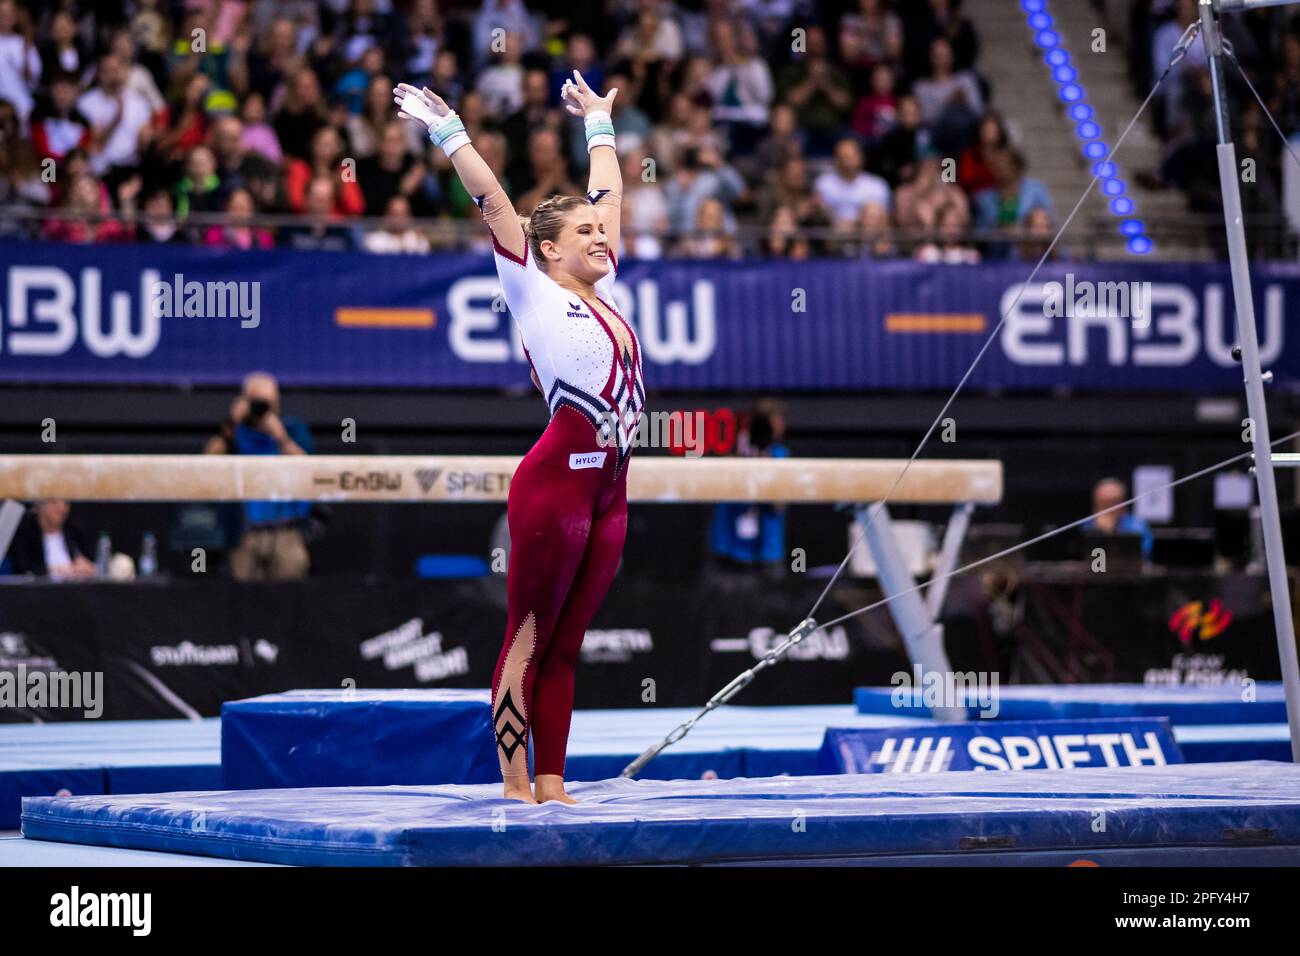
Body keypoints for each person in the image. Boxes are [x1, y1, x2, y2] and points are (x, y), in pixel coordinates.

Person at [394, 70, 643, 805]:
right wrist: (450, 133)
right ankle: (512, 786)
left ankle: (553, 780)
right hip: (556, 486)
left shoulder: (604, 285)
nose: (602, 237)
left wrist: (599, 122)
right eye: (586, 234)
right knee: (530, 634)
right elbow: (494, 201)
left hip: (611, 493)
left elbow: (613, 194)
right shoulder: (531, 286)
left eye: (602, 232)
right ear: (549, 251)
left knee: (568, 645)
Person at [204, 371, 316, 581]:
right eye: (258, 403)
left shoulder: (292, 429)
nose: (264, 410)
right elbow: (205, 464)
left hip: (286, 531)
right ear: (245, 401)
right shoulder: (235, 432)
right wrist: (230, 425)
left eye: (270, 403)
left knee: (289, 597)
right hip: (244, 532)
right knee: (242, 601)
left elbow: (308, 469)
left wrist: (280, 437)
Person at [8, 499, 97, 579]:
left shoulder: (74, 532)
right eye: (54, 502)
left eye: (65, 503)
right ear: (39, 506)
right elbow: (23, 568)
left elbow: (91, 562)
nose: (61, 508)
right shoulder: (24, 534)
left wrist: (85, 567)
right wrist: (55, 570)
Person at [1084, 477, 1153, 559]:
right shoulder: (1087, 525)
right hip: (1096, 570)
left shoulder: (1137, 526)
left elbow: (1143, 554)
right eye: (1103, 503)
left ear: (1122, 503)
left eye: (1112, 503)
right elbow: (1090, 559)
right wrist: (1098, 531)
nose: (1107, 509)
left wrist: (1111, 532)